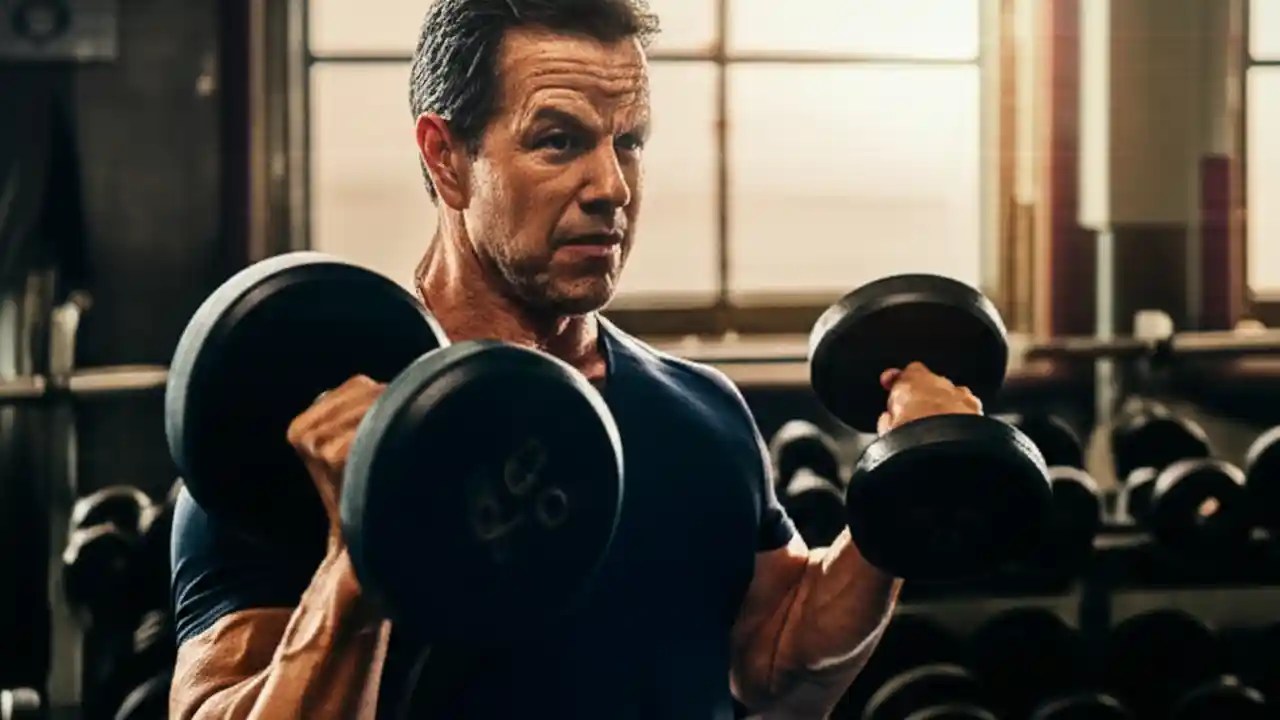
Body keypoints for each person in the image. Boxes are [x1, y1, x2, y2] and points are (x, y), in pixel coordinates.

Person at [168, 1, 983, 718]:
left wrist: (897, 499)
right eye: (558, 142)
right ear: (445, 157)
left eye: (629, 143)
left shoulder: (699, 412)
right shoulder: (308, 423)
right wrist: (358, 564)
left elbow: (773, 665)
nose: (612, 187)